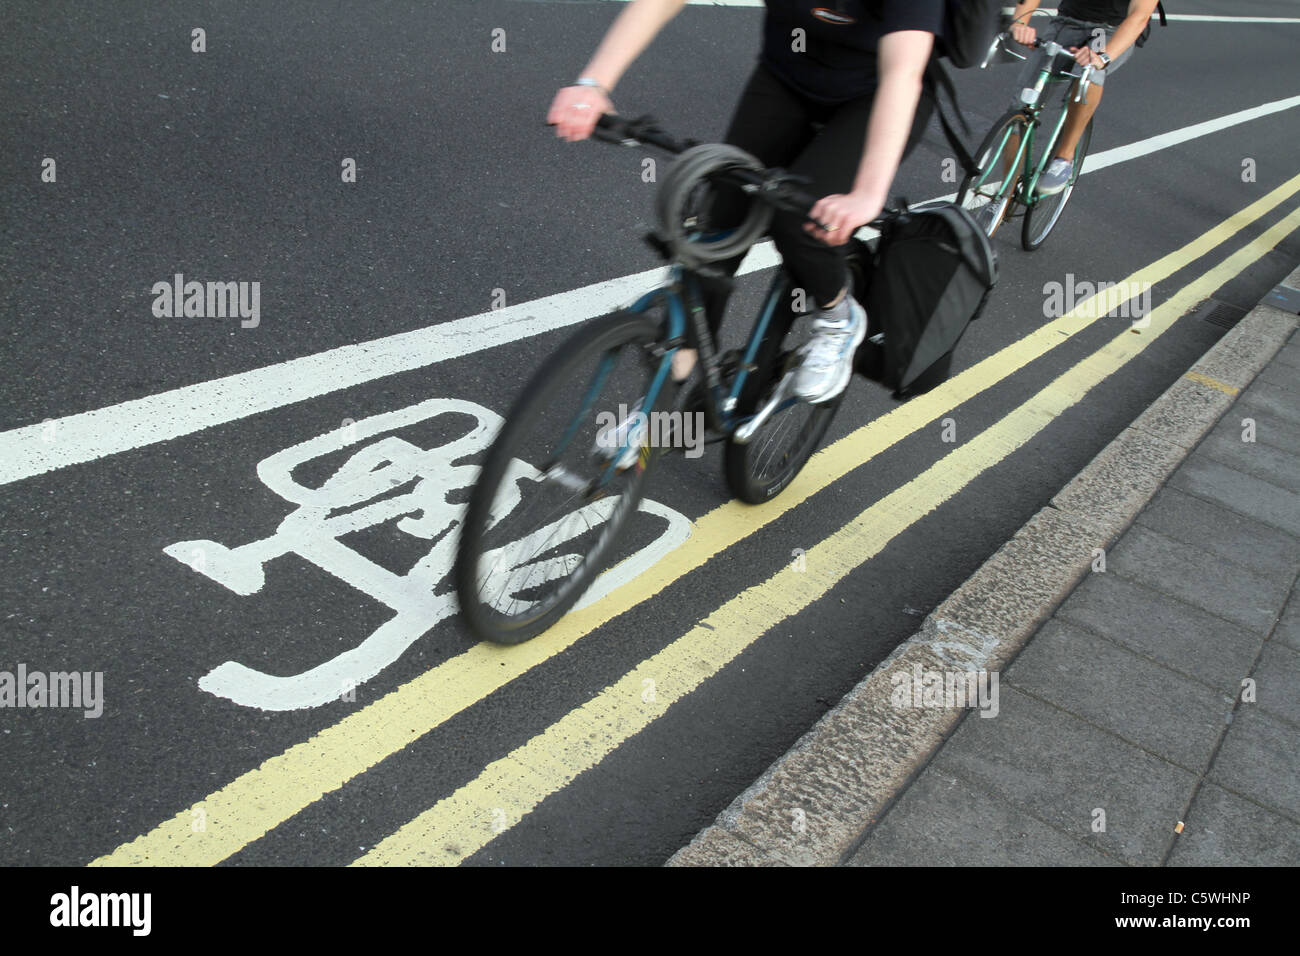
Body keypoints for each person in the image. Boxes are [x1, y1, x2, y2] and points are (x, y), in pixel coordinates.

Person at [548, 0, 944, 405]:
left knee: (801, 222)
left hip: (874, 94)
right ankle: (655, 417)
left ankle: (839, 317)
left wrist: (867, 194)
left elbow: (903, 73)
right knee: (712, 240)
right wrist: (593, 84)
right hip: (786, 77)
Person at [1006, 0, 1160, 195]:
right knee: (1019, 107)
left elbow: (1139, 16)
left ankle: (1064, 157)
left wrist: (1103, 57)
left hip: (1108, 31)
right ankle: (1004, 196)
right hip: (1066, 22)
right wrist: (1020, 22)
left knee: (1090, 73)